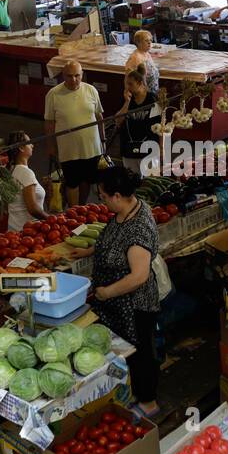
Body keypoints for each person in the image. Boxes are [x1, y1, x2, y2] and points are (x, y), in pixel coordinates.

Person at [68, 165, 161, 418]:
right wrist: (89, 252)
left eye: (103, 196)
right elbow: (114, 241)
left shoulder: (138, 228)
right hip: (118, 303)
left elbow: (139, 276)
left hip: (135, 305)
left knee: (140, 353)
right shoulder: (127, 210)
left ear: (117, 196)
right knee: (127, 351)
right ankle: (127, 390)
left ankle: (148, 403)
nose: (102, 200)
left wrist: (108, 292)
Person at [44, 60, 105, 207]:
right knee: (72, 182)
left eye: (77, 75)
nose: (73, 80)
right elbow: (49, 123)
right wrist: (51, 147)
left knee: (87, 181)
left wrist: (103, 140)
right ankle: (73, 211)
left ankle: (81, 207)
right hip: (68, 149)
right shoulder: (53, 94)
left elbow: (99, 117)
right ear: (63, 76)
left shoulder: (91, 90)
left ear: (82, 75)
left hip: (92, 148)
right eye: (69, 76)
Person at [117, 68, 160, 174]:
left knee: (149, 184)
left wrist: (162, 147)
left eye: (130, 84)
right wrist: (127, 102)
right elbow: (118, 121)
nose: (128, 87)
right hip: (129, 149)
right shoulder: (127, 98)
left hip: (148, 150)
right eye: (127, 84)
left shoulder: (153, 100)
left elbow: (161, 126)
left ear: (140, 83)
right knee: (132, 182)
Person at [4, 131, 48, 232]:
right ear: (21, 147)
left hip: (14, 230)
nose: (32, 145)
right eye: (29, 143)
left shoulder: (12, 169)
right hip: (27, 232)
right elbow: (32, 208)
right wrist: (52, 219)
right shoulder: (25, 173)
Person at [125, 29, 160, 95]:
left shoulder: (146, 53)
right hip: (142, 92)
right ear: (138, 43)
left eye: (150, 40)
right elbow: (128, 76)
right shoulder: (135, 57)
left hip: (152, 89)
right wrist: (127, 91)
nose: (149, 43)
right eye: (146, 40)